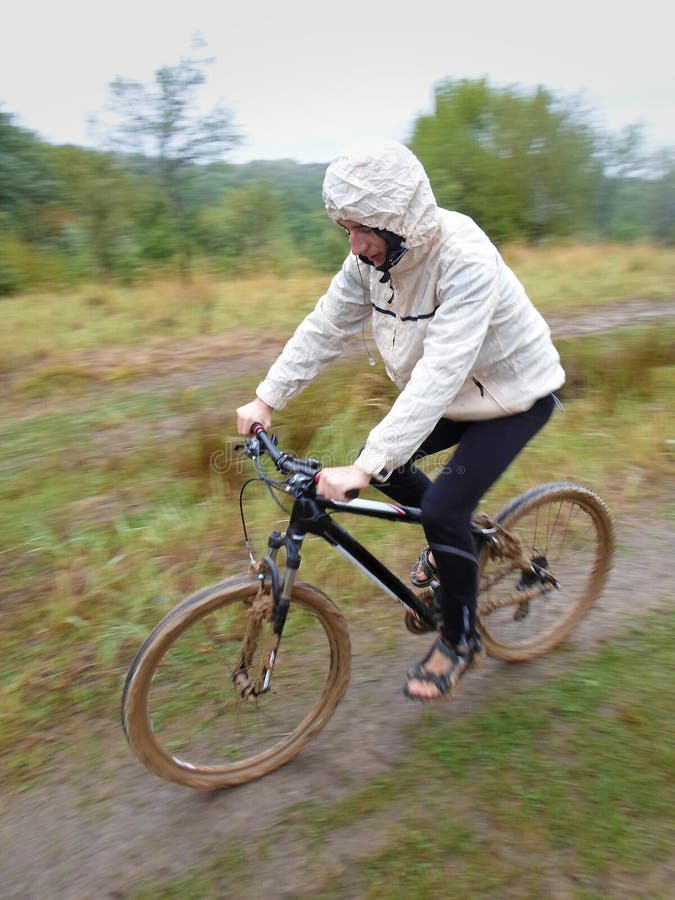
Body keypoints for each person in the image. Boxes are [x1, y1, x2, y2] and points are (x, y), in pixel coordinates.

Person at [236, 139, 565, 702]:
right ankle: (457, 541)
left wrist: (365, 465)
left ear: (400, 221)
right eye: (345, 228)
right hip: (452, 397)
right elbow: (325, 327)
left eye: (364, 230)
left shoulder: (464, 258)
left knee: (436, 506)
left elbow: (439, 372)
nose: (354, 244)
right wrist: (267, 398)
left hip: (513, 396)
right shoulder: (373, 261)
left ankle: (461, 639)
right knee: (390, 470)